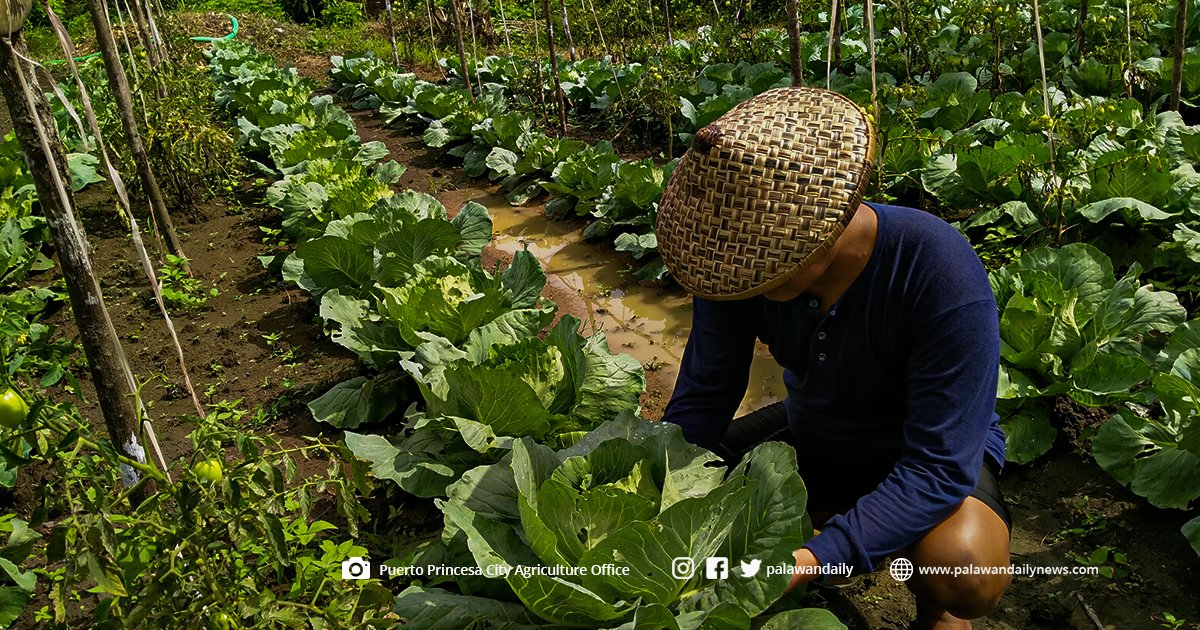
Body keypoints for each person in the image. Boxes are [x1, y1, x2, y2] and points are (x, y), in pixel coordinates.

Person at [656, 87, 1012, 630]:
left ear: (826, 225)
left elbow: (939, 465)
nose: (749, 281)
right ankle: (845, 523)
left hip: (922, 448)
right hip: (817, 428)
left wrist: (814, 559)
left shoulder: (937, 271)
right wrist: (656, 488)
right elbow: (704, 399)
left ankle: (937, 609)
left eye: (767, 264)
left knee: (963, 571)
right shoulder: (731, 267)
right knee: (693, 483)